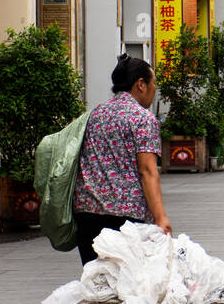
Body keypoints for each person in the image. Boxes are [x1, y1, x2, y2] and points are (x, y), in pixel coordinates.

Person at [72, 54, 172, 265]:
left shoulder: (94, 115)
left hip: (87, 213)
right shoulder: (142, 118)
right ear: (141, 84)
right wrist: (160, 217)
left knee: (96, 283)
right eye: (154, 84)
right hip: (125, 217)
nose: (155, 90)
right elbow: (147, 171)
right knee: (128, 285)